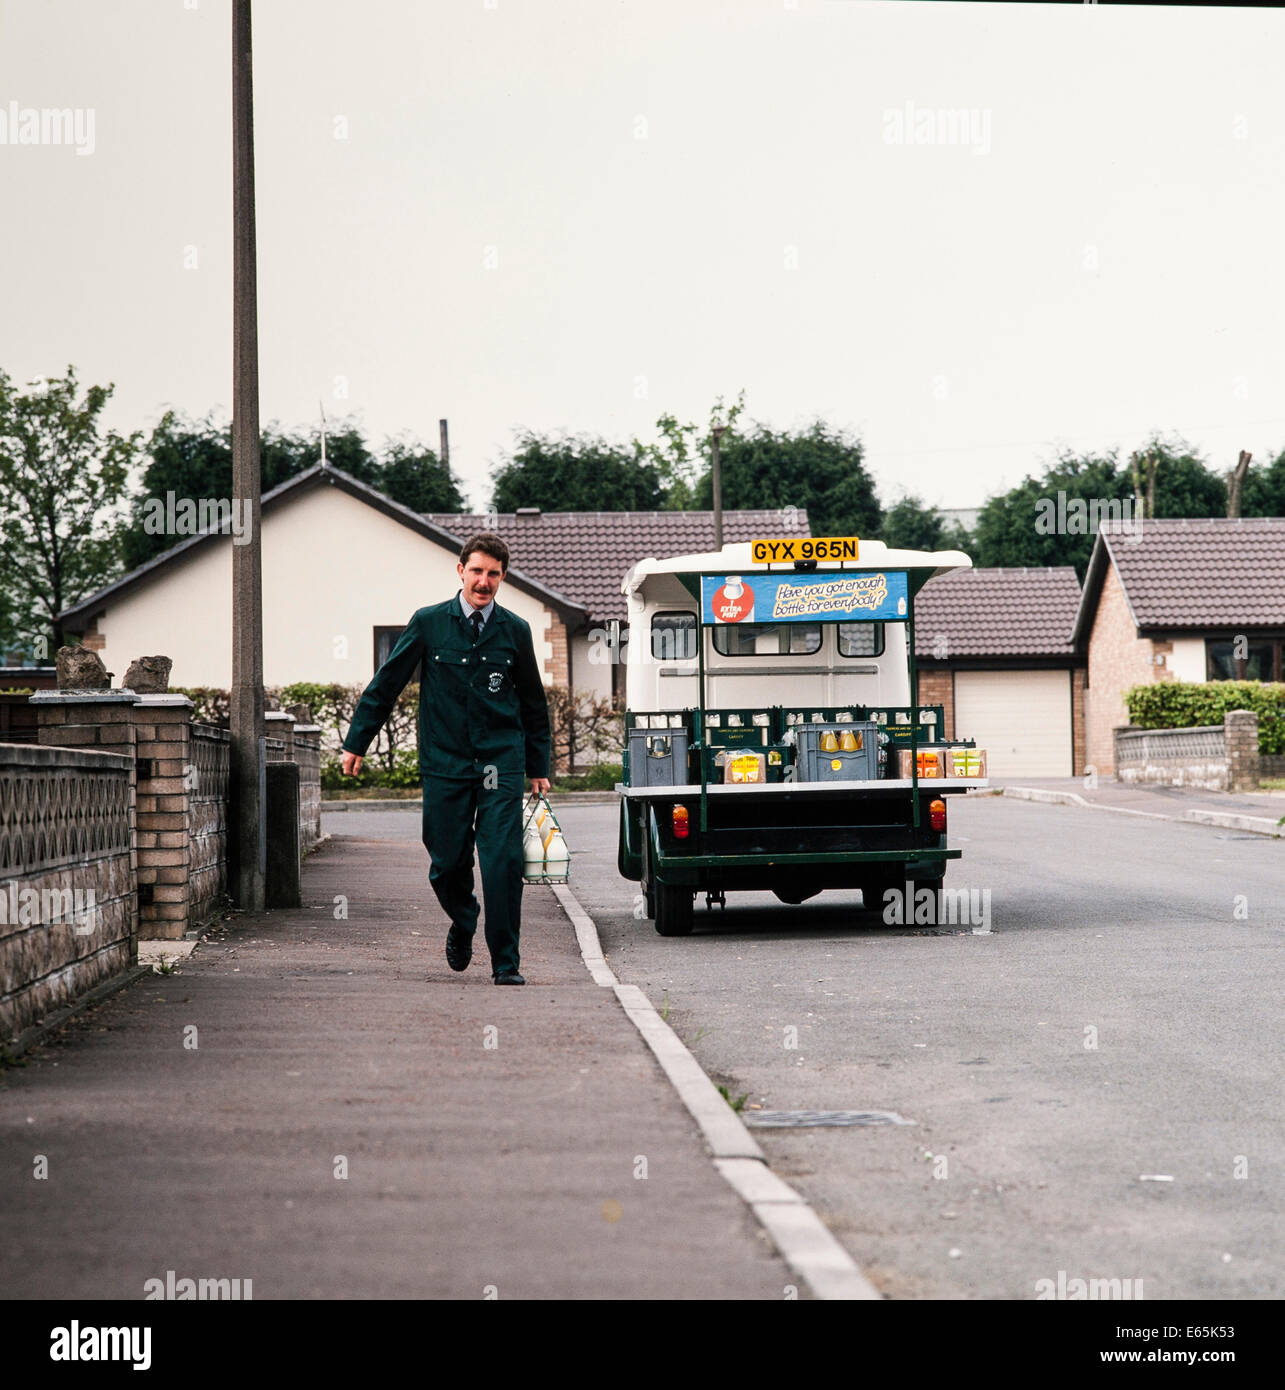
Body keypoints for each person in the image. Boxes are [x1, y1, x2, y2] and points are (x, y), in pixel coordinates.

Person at [339, 534, 551, 985]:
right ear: (460, 570)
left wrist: (538, 767)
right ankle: (464, 917)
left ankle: (506, 964)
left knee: (502, 861)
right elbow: (386, 683)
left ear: (503, 577)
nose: (484, 581)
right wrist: (357, 742)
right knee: (447, 862)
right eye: (477, 571)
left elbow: (533, 703)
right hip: (446, 762)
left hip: (499, 763)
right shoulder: (430, 623)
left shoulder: (515, 631)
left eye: (493, 573)